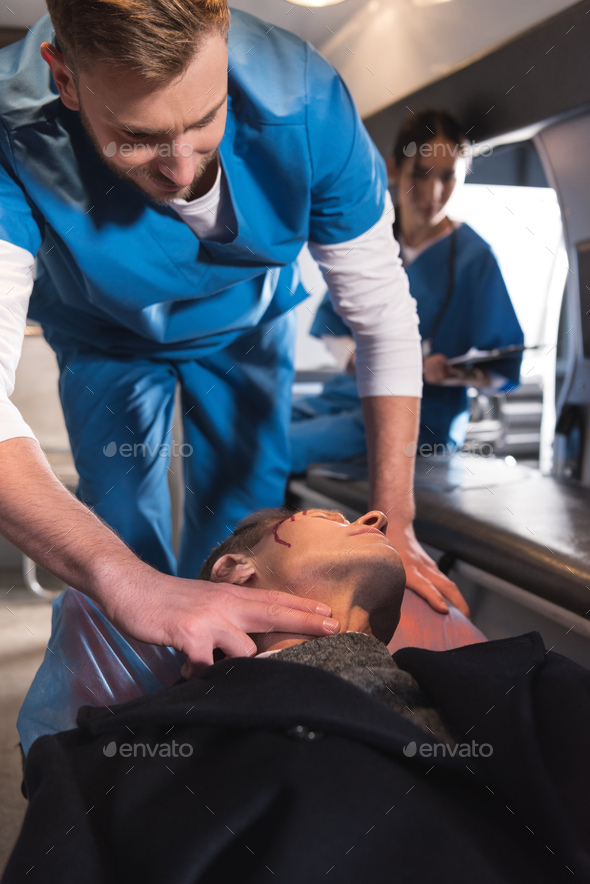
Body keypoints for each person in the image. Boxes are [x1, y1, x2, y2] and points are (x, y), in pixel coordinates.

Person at [0, 4, 467, 677]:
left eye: (204, 120)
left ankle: (237, 705)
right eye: (138, 137)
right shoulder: (11, 134)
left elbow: (383, 321)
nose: (182, 171)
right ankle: (137, 748)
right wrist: (121, 578)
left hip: (247, 331)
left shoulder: (307, 105)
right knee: (118, 541)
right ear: (65, 80)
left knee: (255, 538)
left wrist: (397, 519)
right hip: (105, 336)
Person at [5, 507, 589, 883]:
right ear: (235, 571)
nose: (378, 515)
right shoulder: (111, 760)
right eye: (328, 515)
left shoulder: (533, 680)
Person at [290, 109, 524, 472]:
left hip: (424, 414)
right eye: (422, 173)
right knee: (255, 427)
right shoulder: (374, 239)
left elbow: (504, 370)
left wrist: (453, 374)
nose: (434, 192)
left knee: (279, 448)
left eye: (448, 178)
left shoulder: (474, 259)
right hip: (348, 394)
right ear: (394, 169)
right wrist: (366, 361)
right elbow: (333, 326)